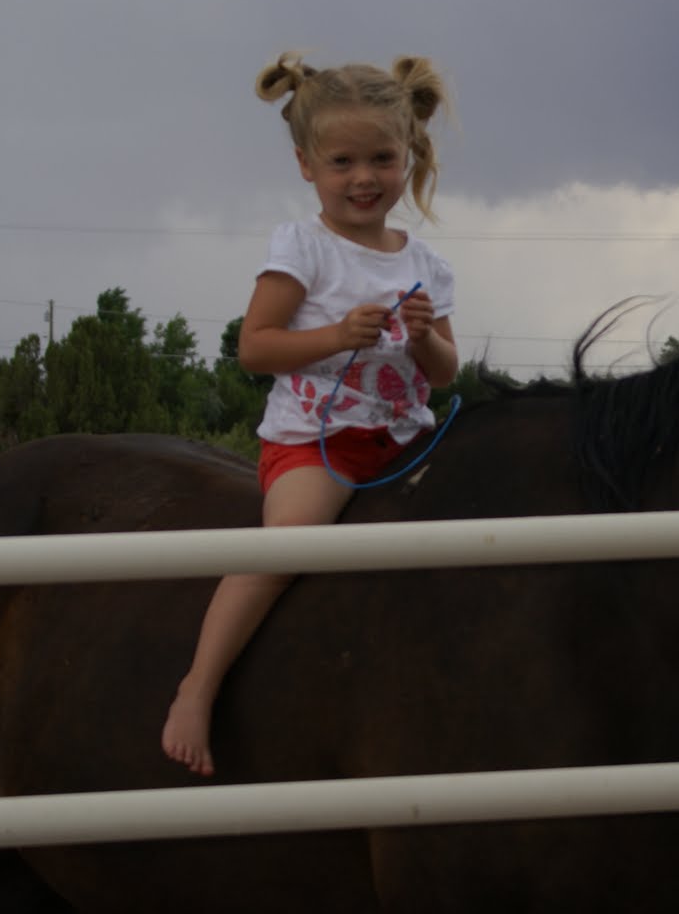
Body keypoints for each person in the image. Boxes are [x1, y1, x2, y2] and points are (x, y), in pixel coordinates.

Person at [161, 52, 459, 777]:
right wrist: (336, 336)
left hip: (407, 444)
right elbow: (254, 347)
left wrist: (422, 338)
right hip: (318, 446)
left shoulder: (426, 261)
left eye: (382, 158)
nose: (364, 176)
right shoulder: (303, 247)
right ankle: (197, 688)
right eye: (343, 160)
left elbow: (449, 373)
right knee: (284, 549)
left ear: (409, 155)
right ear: (306, 165)